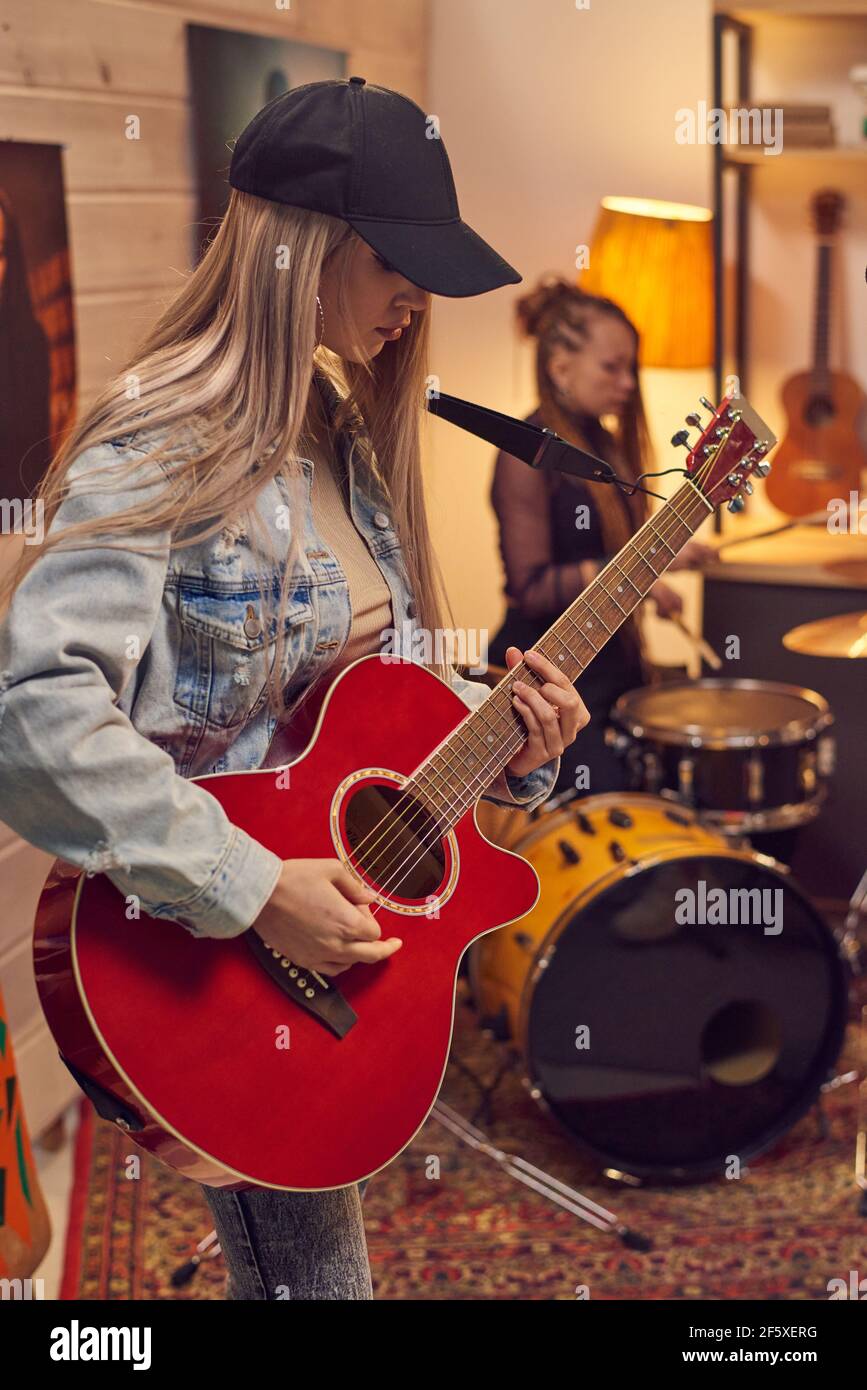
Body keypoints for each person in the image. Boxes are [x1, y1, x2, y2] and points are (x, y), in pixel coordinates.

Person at [0, 79, 589, 1300]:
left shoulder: (333, 422)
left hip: (330, 954)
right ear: (299, 248)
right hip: (214, 972)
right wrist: (256, 887)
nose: (415, 298)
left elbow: (344, 715)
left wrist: (512, 741)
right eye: (396, 263)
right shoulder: (158, 440)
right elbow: (34, 714)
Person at [487, 275, 713, 798]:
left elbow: (606, 555)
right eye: (612, 366)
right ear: (560, 367)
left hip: (610, 666)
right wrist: (634, 573)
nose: (629, 382)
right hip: (545, 677)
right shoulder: (526, 453)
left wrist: (649, 578)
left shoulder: (604, 444)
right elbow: (533, 588)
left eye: (630, 367)